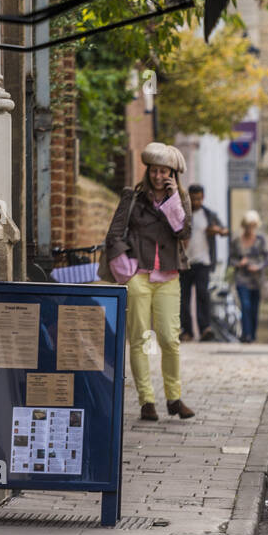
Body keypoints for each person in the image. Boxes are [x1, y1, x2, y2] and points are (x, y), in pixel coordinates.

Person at [104, 142, 196, 422]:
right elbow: (114, 235)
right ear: (148, 171)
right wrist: (127, 270)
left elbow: (183, 231)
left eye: (164, 172)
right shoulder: (133, 197)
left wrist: (171, 201)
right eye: (154, 171)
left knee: (170, 339)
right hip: (139, 277)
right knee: (141, 339)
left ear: (172, 174)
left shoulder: (180, 197)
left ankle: (174, 398)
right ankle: (146, 401)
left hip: (169, 276)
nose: (158, 176)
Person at [180, 183, 228, 342]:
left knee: (202, 294)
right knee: (184, 298)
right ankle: (187, 331)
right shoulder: (182, 214)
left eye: (199, 199)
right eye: (193, 199)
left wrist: (218, 231)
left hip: (203, 261)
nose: (196, 202)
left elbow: (225, 230)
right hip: (184, 262)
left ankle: (205, 328)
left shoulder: (209, 215)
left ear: (203, 198)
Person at [230, 210, 268, 342]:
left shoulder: (260, 240)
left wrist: (258, 267)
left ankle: (252, 335)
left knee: (254, 309)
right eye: (248, 225)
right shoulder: (237, 240)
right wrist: (239, 263)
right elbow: (231, 259)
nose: (250, 229)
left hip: (257, 280)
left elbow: (267, 260)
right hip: (242, 279)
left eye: (253, 225)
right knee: (245, 305)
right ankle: (246, 335)